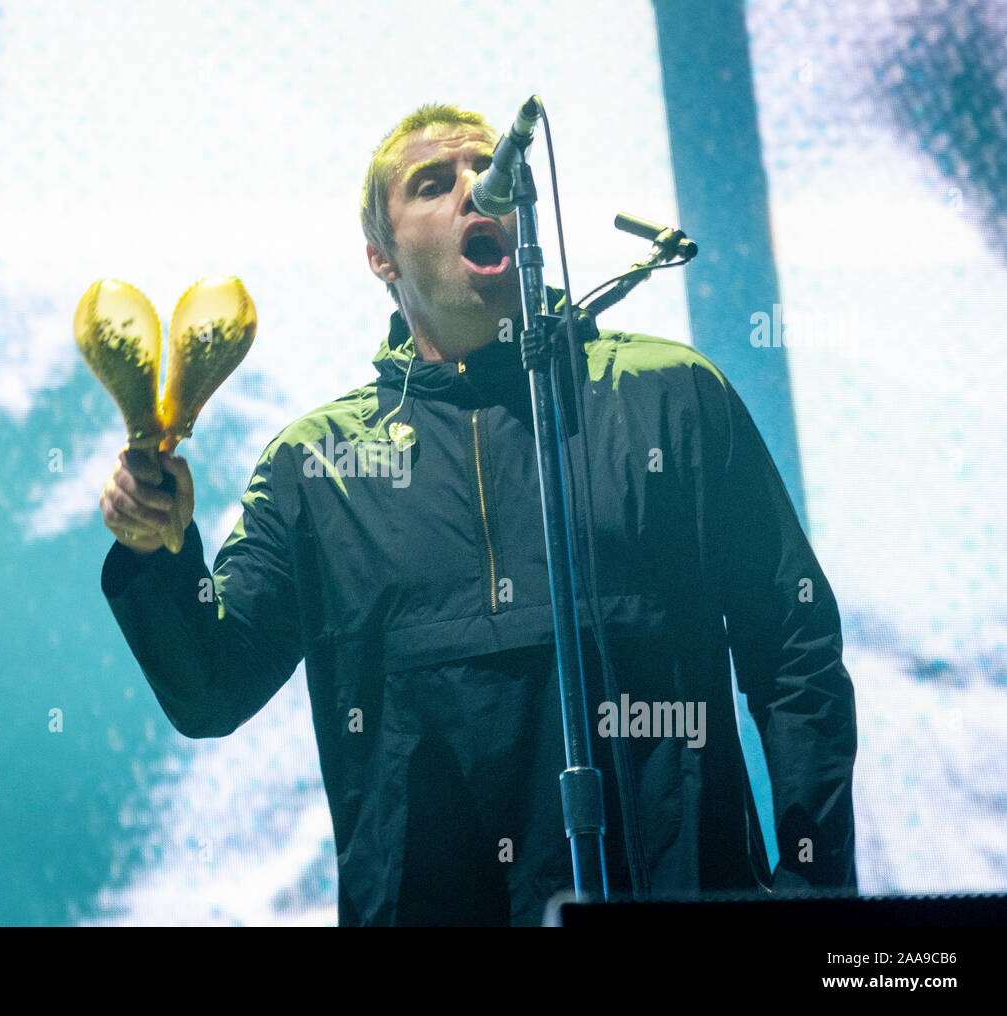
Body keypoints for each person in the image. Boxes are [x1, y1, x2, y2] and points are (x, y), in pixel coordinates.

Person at [97, 103, 859, 926]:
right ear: (380, 259)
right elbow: (211, 690)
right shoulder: (314, 467)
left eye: (489, 171)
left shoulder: (669, 396)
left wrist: (816, 892)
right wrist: (161, 556)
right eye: (433, 183)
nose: (475, 191)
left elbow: (794, 650)